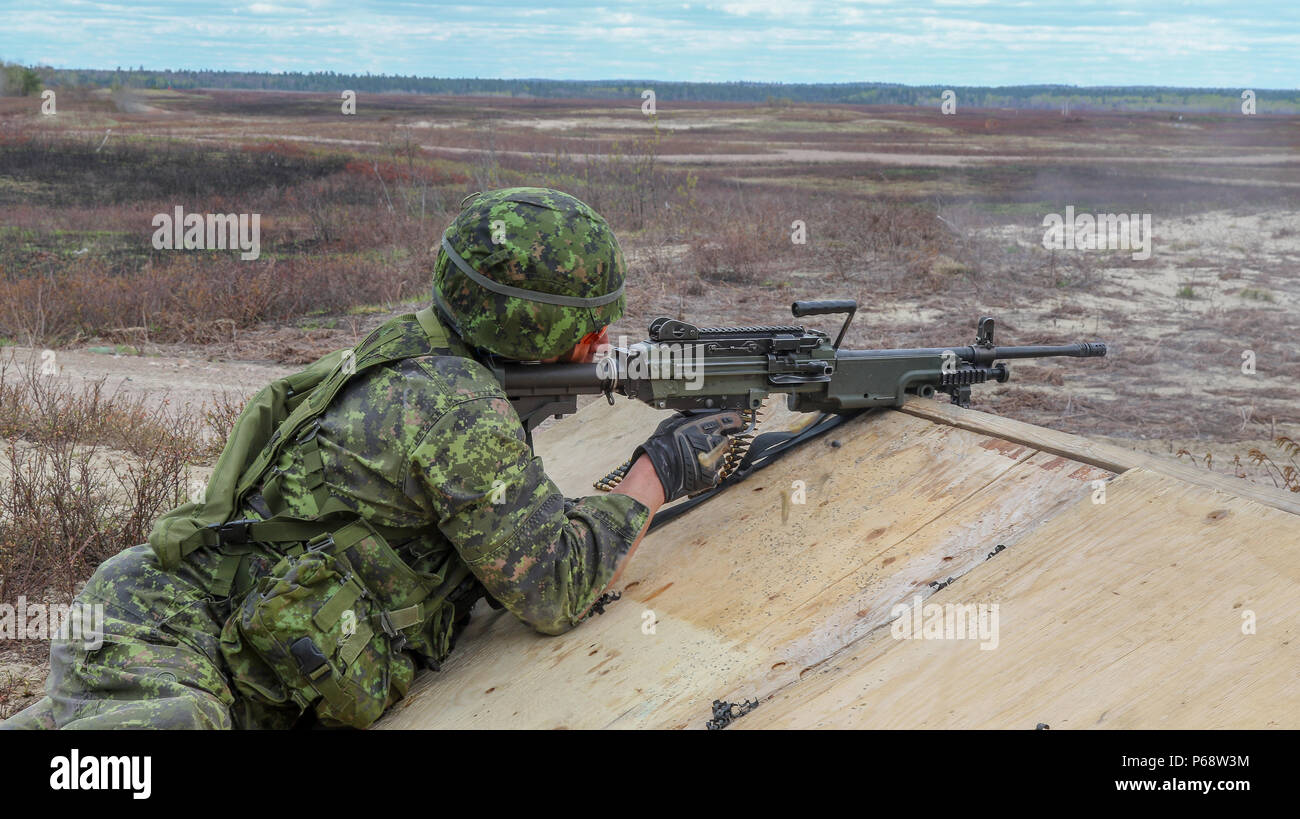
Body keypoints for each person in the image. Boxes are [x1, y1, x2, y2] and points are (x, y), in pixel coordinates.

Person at [2, 187, 741, 730]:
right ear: (533, 325)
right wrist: (662, 468)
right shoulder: (454, 406)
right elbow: (556, 584)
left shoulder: (422, 346)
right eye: (590, 323)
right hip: (168, 639)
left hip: (161, 618)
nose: (602, 338)